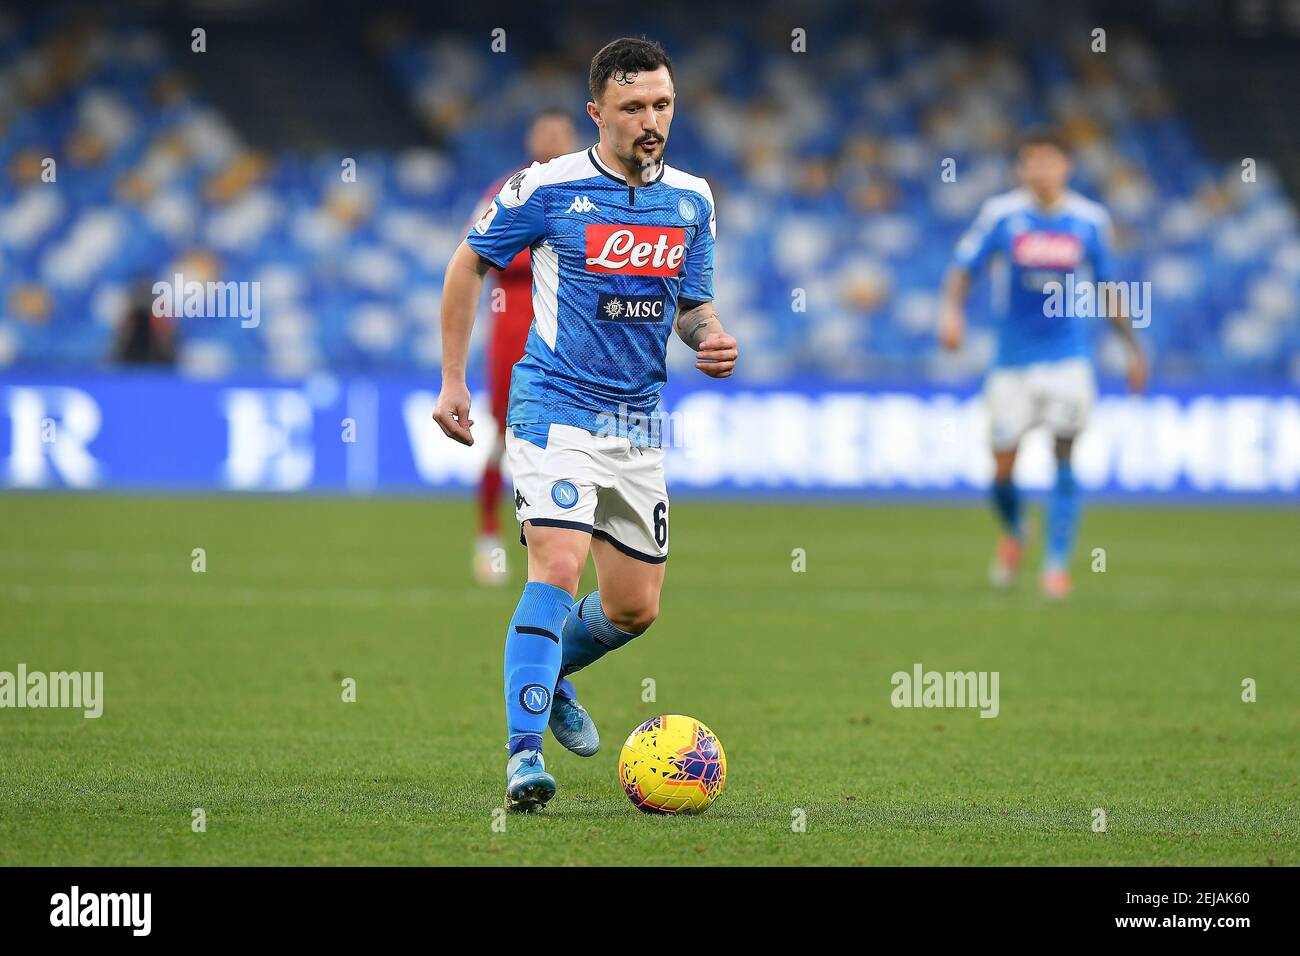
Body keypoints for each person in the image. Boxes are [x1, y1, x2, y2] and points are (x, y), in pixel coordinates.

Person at [432, 36, 738, 811]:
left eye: (662, 104)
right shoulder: (548, 187)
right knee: (557, 568)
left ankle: (550, 672)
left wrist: (711, 339)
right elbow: (468, 260)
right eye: (633, 106)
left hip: (636, 422)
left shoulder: (693, 199)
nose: (651, 120)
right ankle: (522, 759)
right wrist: (451, 378)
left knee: (635, 606)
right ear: (597, 112)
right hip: (553, 405)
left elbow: (692, 308)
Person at [938, 131, 1146, 599]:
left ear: (1065, 168)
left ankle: (1056, 566)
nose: (1040, 171)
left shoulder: (1090, 219)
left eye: (1048, 163)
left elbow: (1109, 287)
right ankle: (1016, 529)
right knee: (1001, 470)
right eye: (1031, 163)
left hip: (1068, 360)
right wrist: (950, 315)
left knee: (1065, 456)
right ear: (1022, 170)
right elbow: (962, 268)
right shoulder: (1001, 215)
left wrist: (1133, 349)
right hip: (1011, 362)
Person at [471, 110, 579, 586]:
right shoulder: (507, 191)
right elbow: (480, 254)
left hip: (572, 333)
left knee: (574, 439)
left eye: (561, 132)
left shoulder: (591, 192)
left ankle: (568, 541)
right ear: (530, 138)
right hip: (514, 329)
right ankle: (489, 536)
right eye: (545, 131)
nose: (552, 139)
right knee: (505, 436)